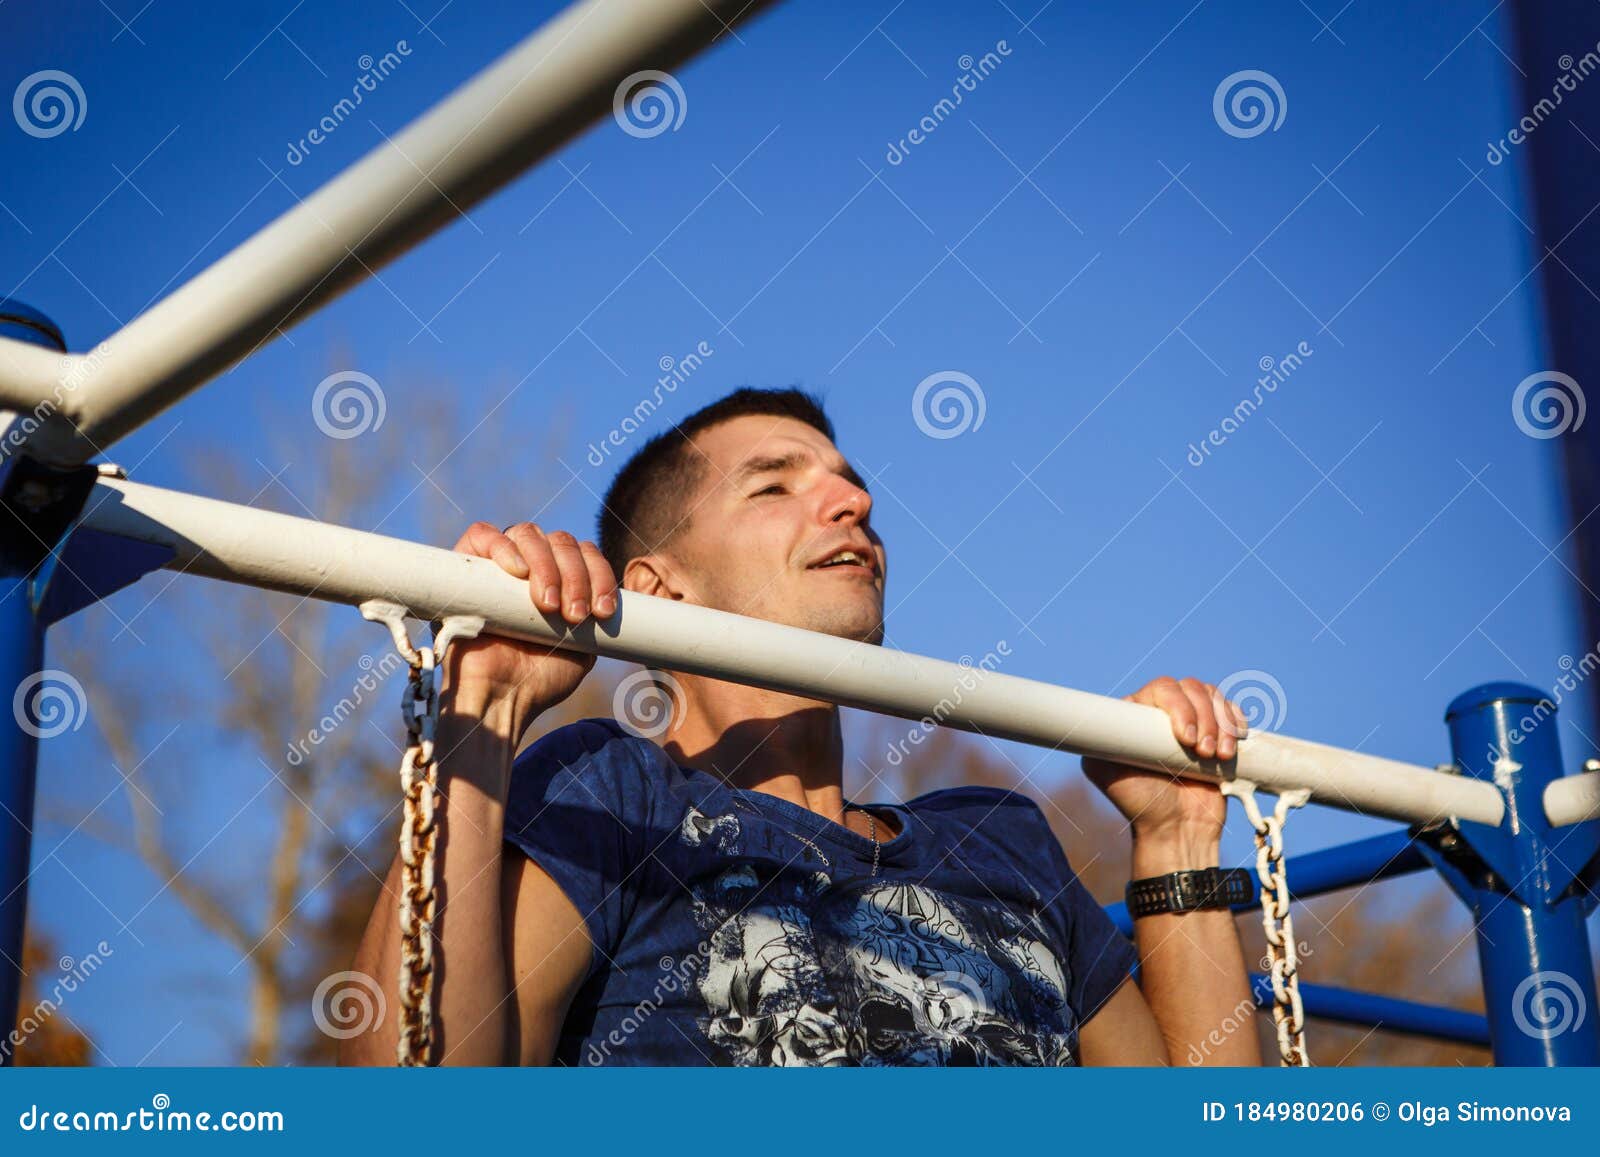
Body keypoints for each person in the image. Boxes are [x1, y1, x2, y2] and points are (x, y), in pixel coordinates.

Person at [343, 388, 1260, 1067]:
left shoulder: (1000, 835)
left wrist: (1175, 839)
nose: (851, 502)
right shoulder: (616, 794)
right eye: (774, 486)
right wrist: (484, 713)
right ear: (662, 587)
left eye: (851, 485)